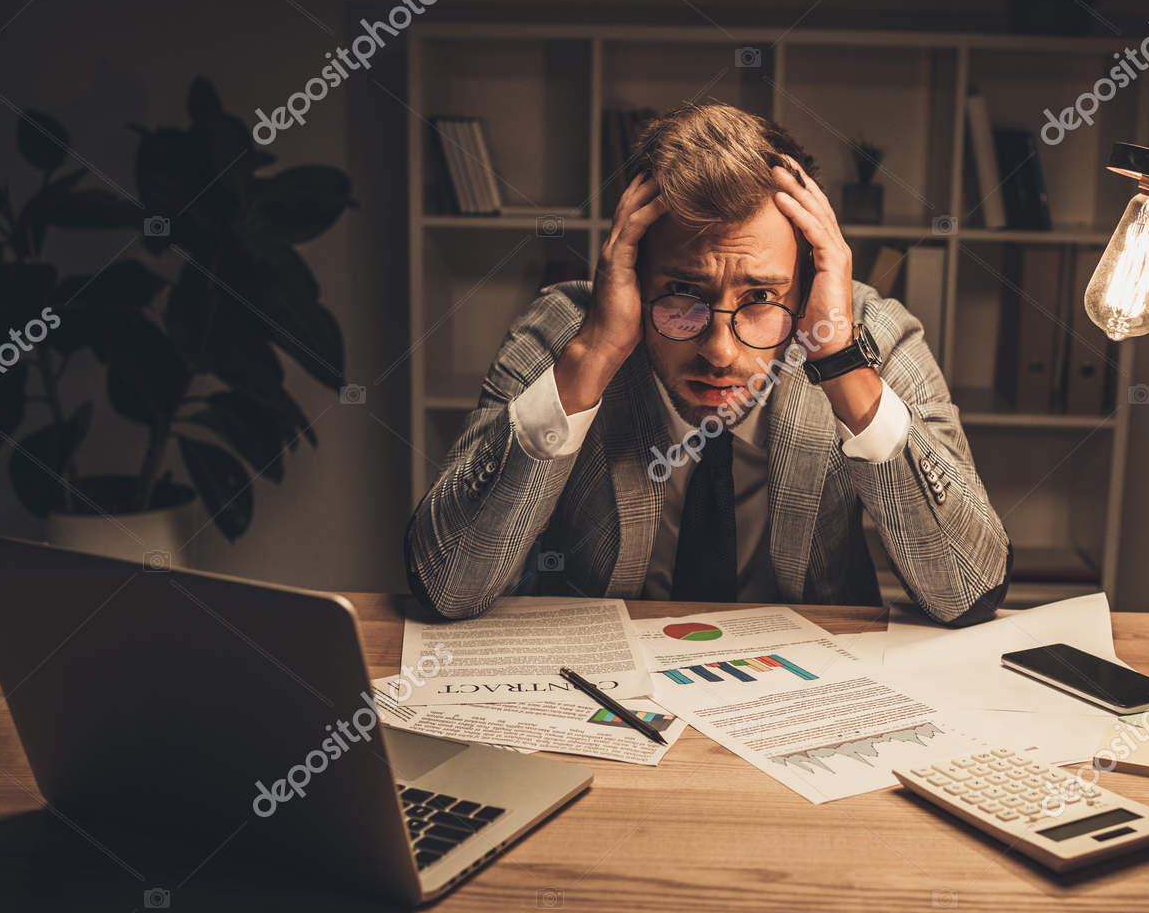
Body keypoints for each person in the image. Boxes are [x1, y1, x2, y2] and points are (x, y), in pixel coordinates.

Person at [406, 101, 1010, 624]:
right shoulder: (569, 336)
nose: (719, 352)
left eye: (762, 299)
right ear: (633, 277)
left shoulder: (867, 337)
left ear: (807, 286)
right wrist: (590, 362)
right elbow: (448, 587)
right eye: (684, 295)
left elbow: (968, 592)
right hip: (599, 688)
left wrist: (841, 364)